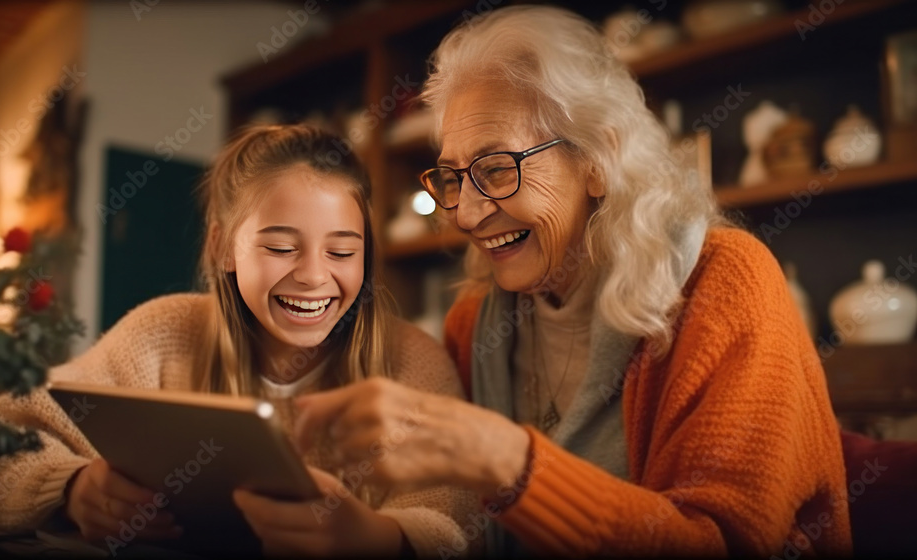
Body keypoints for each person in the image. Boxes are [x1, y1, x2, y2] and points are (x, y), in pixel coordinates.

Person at [292, 5, 853, 558]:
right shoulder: (476, 322)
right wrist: (375, 535)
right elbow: (468, 529)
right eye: (453, 177)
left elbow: (725, 542)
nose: (464, 213)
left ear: (598, 161)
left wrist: (505, 460)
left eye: (496, 169)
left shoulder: (724, 283)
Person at [0, 124, 478, 557]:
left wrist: (377, 538)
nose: (314, 276)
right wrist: (73, 490)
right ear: (222, 247)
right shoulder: (161, 333)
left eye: (342, 253)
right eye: (281, 247)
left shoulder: (413, 364)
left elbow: (459, 527)